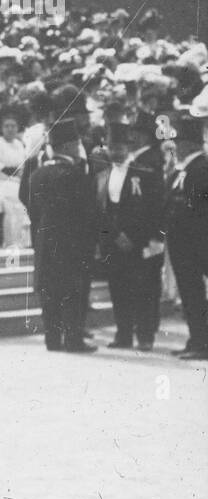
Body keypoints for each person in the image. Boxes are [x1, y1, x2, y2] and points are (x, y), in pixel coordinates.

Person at [25, 118, 98, 354]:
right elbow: (90, 212)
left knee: (49, 291)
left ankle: (52, 339)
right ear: (67, 146)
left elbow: (32, 210)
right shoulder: (76, 175)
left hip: (45, 242)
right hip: (74, 245)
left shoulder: (37, 175)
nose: (78, 148)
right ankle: (74, 339)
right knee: (73, 292)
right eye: (76, 144)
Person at [95, 121, 164, 351]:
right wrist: (114, 235)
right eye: (112, 147)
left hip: (139, 240)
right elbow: (101, 211)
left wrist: (134, 237)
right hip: (113, 242)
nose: (116, 152)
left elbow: (152, 209)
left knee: (144, 289)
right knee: (118, 288)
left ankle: (145, 335)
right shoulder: (102, 175)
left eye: (121, 147)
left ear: (128, 147)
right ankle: (123, 333)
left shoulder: (144, 173)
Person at [164, 113, 208, 359]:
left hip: (198, 242)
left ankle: (203, 342)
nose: (174, 148)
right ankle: (197, 339)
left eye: (177, 143)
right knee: (190, 293)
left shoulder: (202, 168)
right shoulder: (180, 171)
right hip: (182, 245)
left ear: (188, 144)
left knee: (195, 294)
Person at [0, 107, 32, 249]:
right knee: (15, 198)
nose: (10, 129)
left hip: (14, 182)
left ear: (17, 127)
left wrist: (20, 179)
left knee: (23, 194)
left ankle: (24, 240)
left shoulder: (19, 145)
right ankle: (12, 241)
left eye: (13, 126)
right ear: (1, 128)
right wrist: (15, 181)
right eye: (7, 126)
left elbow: (22, 168)